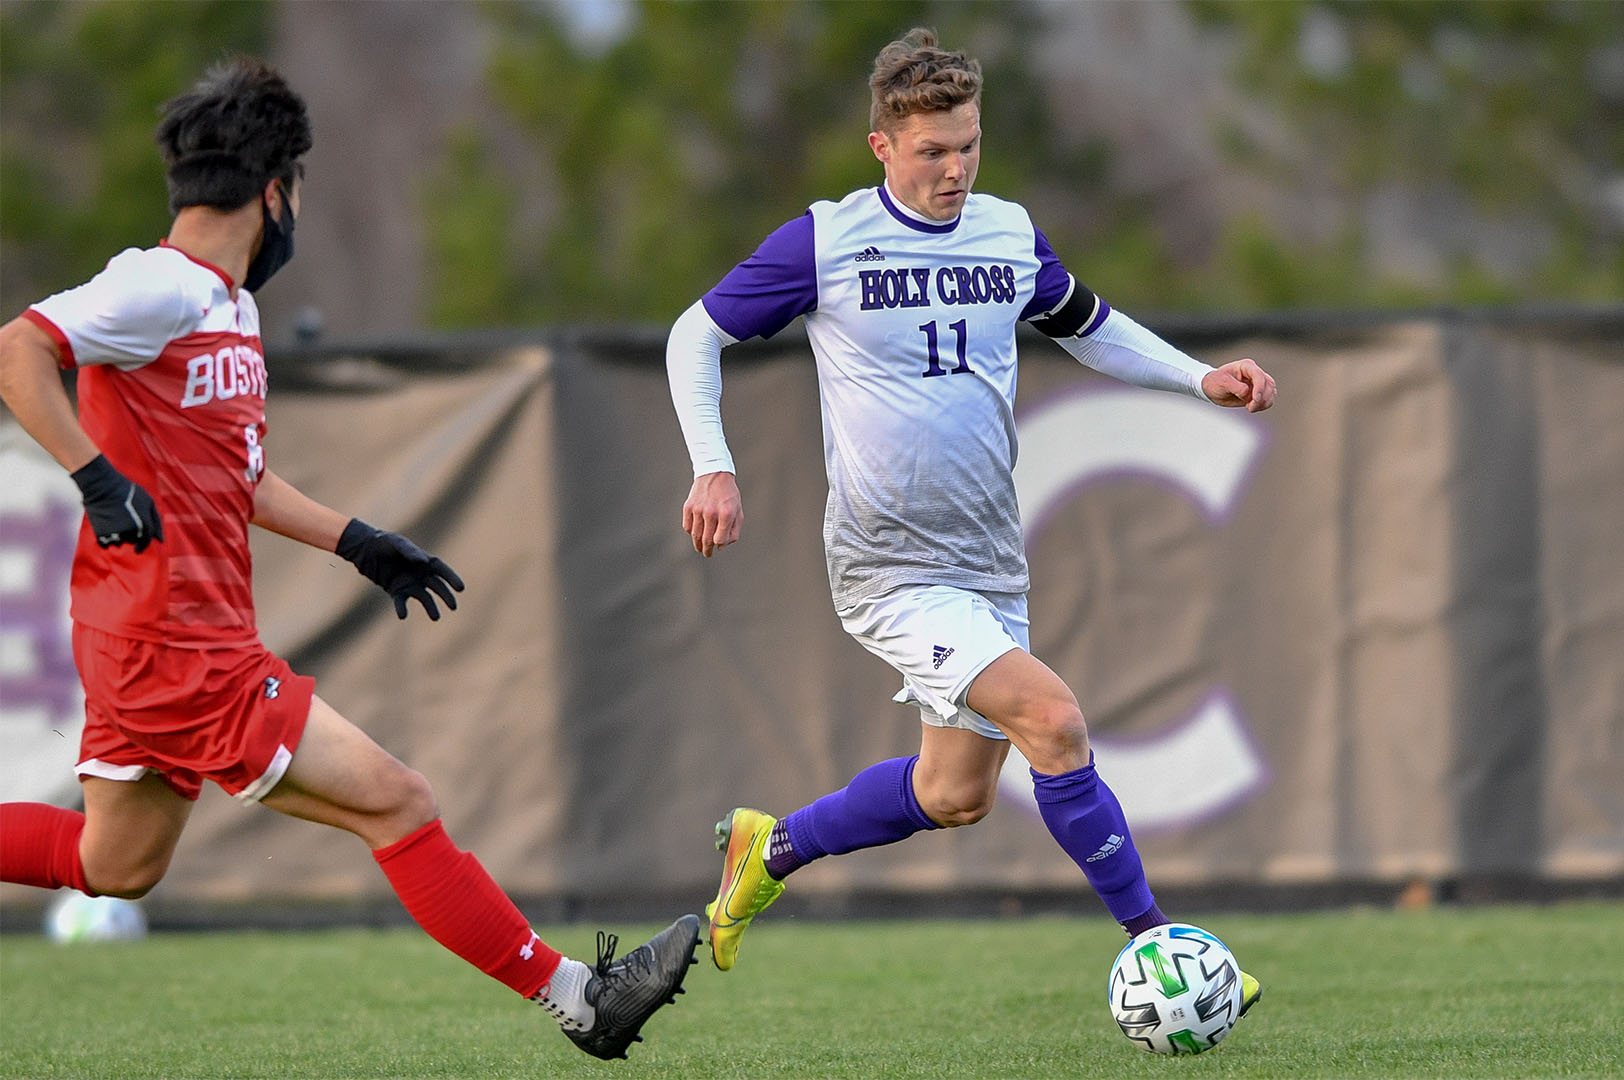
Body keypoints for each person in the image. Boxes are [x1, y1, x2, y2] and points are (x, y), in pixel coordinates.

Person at [0, 56, 696, 1062]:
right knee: (398, 802)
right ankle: (584, 999)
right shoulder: (157, 284)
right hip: (175, 643)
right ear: (275, 190)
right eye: (300, 195)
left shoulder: (230, 313)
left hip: (153, 636)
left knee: (117, 863)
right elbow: (18, 349)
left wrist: (360, 543)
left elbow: (239, 482)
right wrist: (95, 479)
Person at [667, 28, 1276, 1015]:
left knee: (954, 794)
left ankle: (766, 851)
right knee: (1057, 721)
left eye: (968, 146)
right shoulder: (827, 241)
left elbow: (1088, 324)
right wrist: (714, 466)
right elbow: (694, 335)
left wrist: (1198, 378)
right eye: (932, 151)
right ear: (882, 148)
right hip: (889, 564)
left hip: (989, 557)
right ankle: (1163, 950)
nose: (954, 170)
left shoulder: (1006, 233)